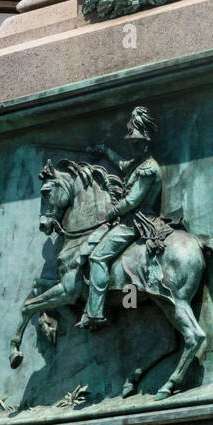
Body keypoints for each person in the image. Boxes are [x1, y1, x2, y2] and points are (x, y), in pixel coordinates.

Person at [75, 107, 164, 329]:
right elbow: (122, 165)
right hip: (129, 219)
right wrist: (104, 151)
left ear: (146, 143)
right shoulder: (138, 163)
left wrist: (113, 212)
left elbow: (132, 201)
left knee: (97, 257)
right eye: (131, 143)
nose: (133, 147)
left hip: (136, 223)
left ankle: (95, 313)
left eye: (137, 143)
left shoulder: (149, 169)